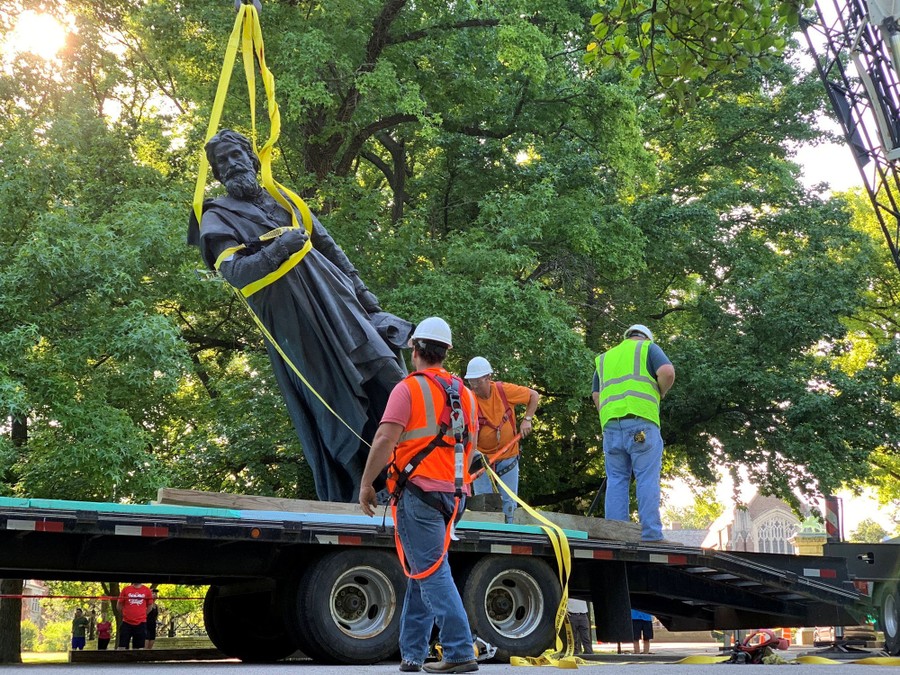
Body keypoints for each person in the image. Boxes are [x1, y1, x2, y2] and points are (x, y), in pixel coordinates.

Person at [188, 129, 412, 503]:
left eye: (234, 155)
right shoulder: (216, 214)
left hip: (339, 302)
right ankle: (367, 489)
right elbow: (236, 274)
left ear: (252, 158)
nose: (230, 165)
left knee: (388, 374)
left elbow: (329, 248)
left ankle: (420, 464)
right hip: (293, 320)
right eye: (221, 162)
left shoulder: (284, 198)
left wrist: (369, 302)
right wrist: (279, 249)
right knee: (334, 402)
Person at [359, 317, 479, 674]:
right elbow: (469, 448)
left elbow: (384, 440)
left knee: (430, 571)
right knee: (421, 570)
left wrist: (367, 484)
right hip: (454, 496)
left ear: (414, 350)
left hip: (419, 494)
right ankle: (411, 654)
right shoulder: (466, 395)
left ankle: (459, 651)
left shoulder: (408, 388)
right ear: (445, 352)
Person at [592, 324, 675, 543]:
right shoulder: (648, 348)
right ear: (646, 337)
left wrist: (608, 412)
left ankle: (617, 536)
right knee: (646, 477)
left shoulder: (604, 358)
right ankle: (651, 535)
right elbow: (667, 372)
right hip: (641, 423)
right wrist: (661, 392)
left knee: (617, 479)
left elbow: (596, 394)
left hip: (611, 427)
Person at [465, 357, 540, 524]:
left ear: (488, 377)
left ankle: (508, 538)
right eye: (471, 382)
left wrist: (527, 419)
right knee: (483, 505)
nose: (474, 386)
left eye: (478, 381)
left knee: (509, 504)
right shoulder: (468, 399)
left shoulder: (504, 391)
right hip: (482, 462)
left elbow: (533, 396)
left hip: (508, 458)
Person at [117, 581, 153, 649]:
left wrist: (143, 615)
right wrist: (124, 614)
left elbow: (150, 606)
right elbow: (119, 605)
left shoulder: (147, 590)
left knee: (138, 648)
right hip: (126, 622)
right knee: (122, 646)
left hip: (141, 623)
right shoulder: (126, 589)